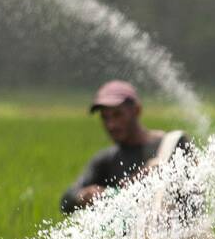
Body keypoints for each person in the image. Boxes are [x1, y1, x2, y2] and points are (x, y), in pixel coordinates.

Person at [60, 80, 195, 214]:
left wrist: (151, 176)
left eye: (117, 115)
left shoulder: (173, 145)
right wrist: (83, 196)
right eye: (105, 117)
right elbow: (66, 201)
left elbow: (194, 201)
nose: (111, 124)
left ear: (136, 111)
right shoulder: (106, 161)